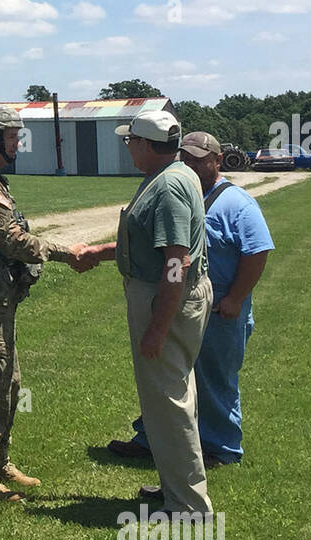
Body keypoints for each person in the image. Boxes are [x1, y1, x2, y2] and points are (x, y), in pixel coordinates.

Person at [0, 104, 96, 502]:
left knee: (8, 383)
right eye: (12, 136)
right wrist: (67, 253)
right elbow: (11, 239)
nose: (18, 143)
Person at [108, 131, 273, 472]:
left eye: (201, 158)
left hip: (220, 309)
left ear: (218, 159)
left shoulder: (237, 203)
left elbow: (257, 253)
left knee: (215, 380)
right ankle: (152, 438)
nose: (193, 164)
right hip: (181, 304)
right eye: (187, 157)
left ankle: (221, 447)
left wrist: (235, 299)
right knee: (170, 377)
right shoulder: (181, 191)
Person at [83, 110, 214, 514]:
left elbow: (177, 261)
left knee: (167, 402)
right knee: (176, 396)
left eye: (130, 142)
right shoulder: (178, 173)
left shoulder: (169, 187)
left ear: (144, 144)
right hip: (172, 294)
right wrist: (103, 253)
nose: (128, 149)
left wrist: (159, 326)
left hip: (167, 298)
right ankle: (176, 487)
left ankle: (187, 507)